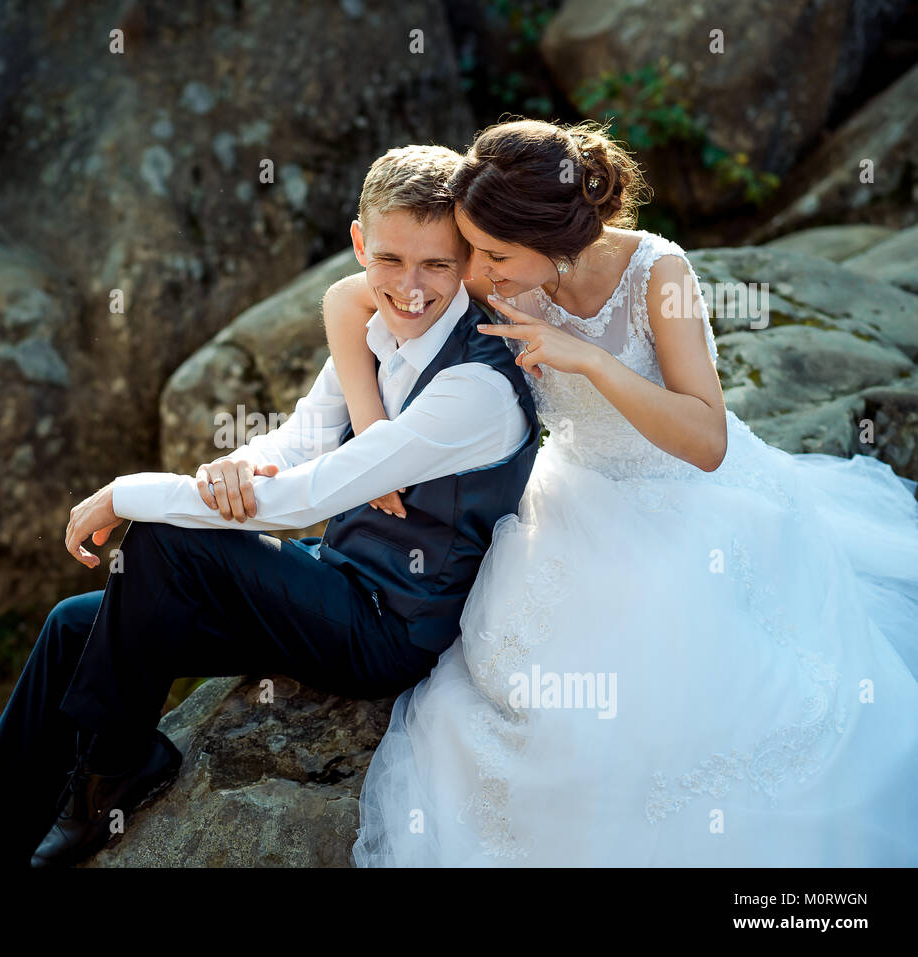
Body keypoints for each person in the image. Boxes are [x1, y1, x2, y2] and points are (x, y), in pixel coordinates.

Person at [319, 119, 918, 866]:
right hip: (575, 500)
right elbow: (346, 300)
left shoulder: (658, 274)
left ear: (553, 238)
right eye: (476, 251)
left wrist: (591, 362)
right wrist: (373, 436)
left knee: (698, 673)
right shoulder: (493, 268)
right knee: (538, 702)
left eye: (497, 255)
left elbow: (707, 439)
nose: (482, 272)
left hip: (693, 497)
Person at [0, 145, 542, 867]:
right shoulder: (377, 332)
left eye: (436, 265)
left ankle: (118, 768)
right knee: (74, 627)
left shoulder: (476, 386)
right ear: (359, 245)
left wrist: (126, 493)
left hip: (388, 629)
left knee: (167, 537)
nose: (410, 287)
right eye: (389, 260)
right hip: (333, 578)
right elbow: (301, 440)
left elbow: (309, 493)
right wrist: (240, 466)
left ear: (467, 262)